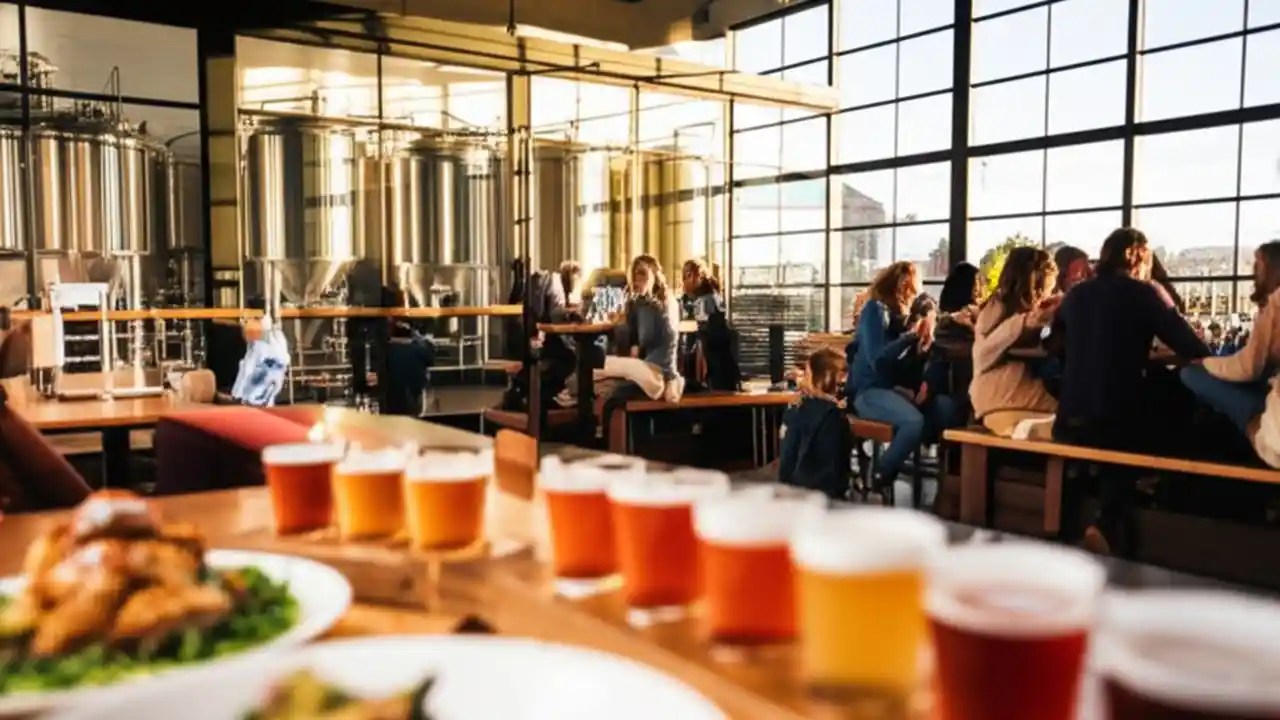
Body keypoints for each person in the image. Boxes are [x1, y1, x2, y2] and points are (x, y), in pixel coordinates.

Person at [1051, 227, 1210, 556]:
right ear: (1138, 258)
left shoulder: (1076, 295)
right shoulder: (1142, 293)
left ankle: (1077, 522)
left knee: (1117, 412)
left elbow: (1050, 341)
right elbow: (1192, 346)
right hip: (1114, 422)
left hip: (1068, 418)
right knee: (1175, 404)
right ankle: (1121, 520)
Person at [849, 261, 955, 493]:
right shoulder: (874, 311)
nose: (915, 294)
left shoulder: (900, 317)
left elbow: (928, 303)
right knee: (913, 421)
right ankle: (879, 477)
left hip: (891, 391)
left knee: (947, 409)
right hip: (868, 393)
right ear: (901, 286)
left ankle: (951, 488)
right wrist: (909, 337)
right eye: (913, 288)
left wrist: (920, 353)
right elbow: (877, 359)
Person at [1181, 241, 1280, 440]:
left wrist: (1206, 363)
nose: (1254, 273)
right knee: (1226, 354)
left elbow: (1248, 368)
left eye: (1258, 266)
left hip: (1272, 423)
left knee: (1189, 373)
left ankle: (1249, 422)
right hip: (1269, 385)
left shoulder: (1275, 306)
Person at [969, 247, 1059, 438]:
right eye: (1050, 287)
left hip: (991, 398)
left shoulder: (997, 306)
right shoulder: (1000, 308)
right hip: (1006, 395)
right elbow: (984, 352)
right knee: (1075, 413)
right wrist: (1037, 318)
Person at [599, 255, 681, 432]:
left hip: (659, 372)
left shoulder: (663, 303)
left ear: (654, 275)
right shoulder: (639, 303)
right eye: (635, 275)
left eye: (643, 274)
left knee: (596, 365)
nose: (638, 280)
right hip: (646, 367)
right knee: (600, 378)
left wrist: (623, 321)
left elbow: (651, 337)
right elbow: (634, 343)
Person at [778, 348, 850, 499]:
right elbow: (837, 464)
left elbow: (787, 457)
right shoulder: (833, 415)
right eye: (842, 374)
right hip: (823, 496)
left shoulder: (795, 407)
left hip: (792, 491)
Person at [679, 258, 740, 391]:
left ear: (699, 276)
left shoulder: (707, 299)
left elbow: (699, 328)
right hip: (715, 358)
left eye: (688, 275)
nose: (684, 280)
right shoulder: (704, 297)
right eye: (683, 276)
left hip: (716, 359)